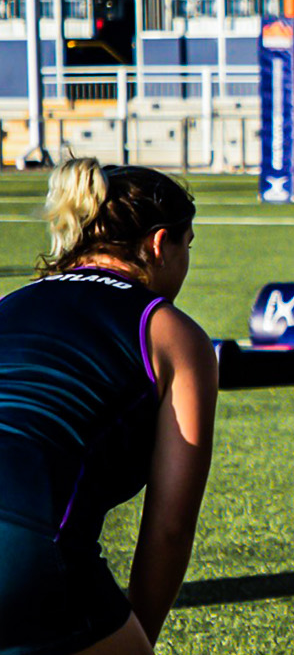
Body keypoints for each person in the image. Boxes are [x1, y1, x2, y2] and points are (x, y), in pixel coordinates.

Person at [0, 158, 216, 655]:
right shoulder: (171, 332)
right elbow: (170, 527)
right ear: (160, 244)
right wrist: (138, 637)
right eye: (188, 245)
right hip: (27, 548)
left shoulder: (12, 302)